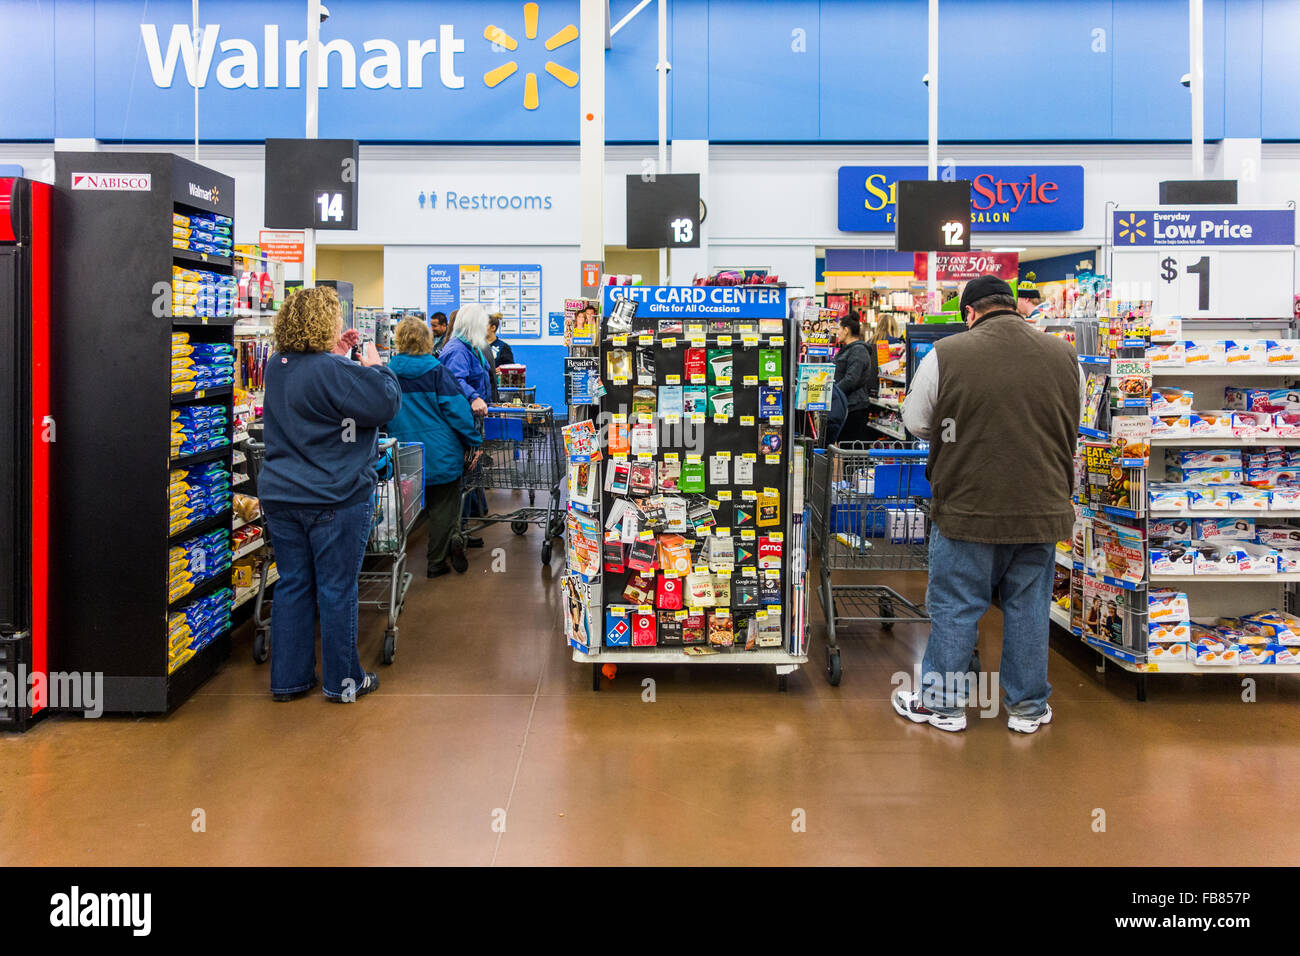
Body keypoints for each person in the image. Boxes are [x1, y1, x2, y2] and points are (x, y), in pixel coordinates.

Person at [896, 275, 1079, 734]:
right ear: (1013, 307)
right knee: (1029, 606)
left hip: (968, 506)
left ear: (969, 313)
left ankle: (944, 706)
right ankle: (1028, 709)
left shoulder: (947, 353)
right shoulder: (1063, 354)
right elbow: (1070, 421)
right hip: (1041, 506)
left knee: (957, 604)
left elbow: (917, 422)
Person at [258, 286, 402, 703]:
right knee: (337, 589)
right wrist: (376, 368)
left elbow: (316, 394)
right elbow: (385, 404)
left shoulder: (275, 366)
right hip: (334, 498)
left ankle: (288, 680)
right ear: (326, 323)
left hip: (281, 496)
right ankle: (343, 682)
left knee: (293, 584)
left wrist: (337, 358)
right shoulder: (334, 371)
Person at [384, 317, 483, 578]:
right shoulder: (437, 372)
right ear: (427, 340)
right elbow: (457, 411)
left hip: (403, 450)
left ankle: (407, 558)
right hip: (442, 451)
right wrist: (474, 440)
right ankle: (437, 559)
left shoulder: (388, 373)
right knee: (444, 505)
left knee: (413, 505)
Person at [439, 303, 496, 544]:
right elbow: (454, 381)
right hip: (461, 422)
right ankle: (457, 534)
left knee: (469, 476)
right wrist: (474, 397)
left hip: (471, 421)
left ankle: (460, 531)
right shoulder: (457, 351)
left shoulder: (471, 348)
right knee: (464, 477)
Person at [832, 312, 877, 443]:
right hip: (846, 406)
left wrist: (833, 393)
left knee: (851, 449)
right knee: (845, 448)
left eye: (839, 329)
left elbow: (852, 379)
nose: (837, 333)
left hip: (854, 408)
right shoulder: (848, 349)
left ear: (846, 330)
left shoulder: (858, 350)